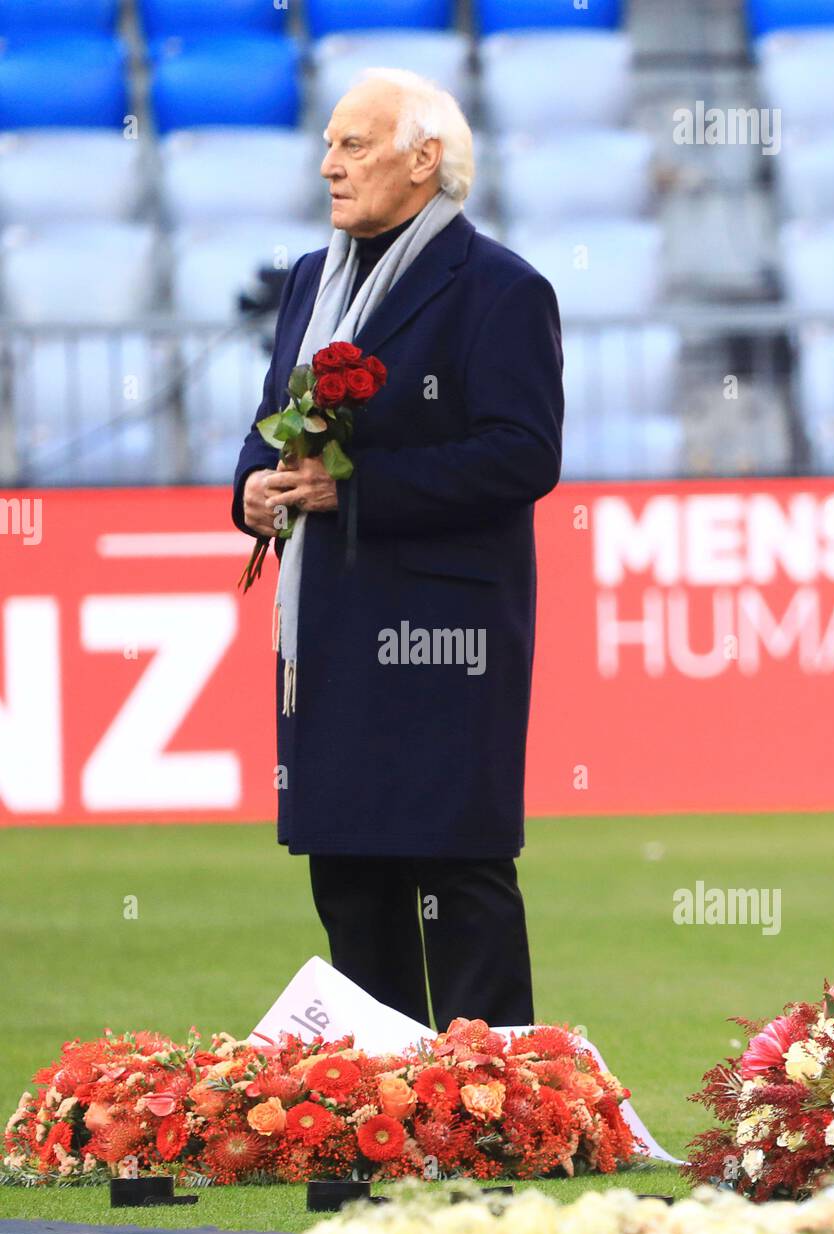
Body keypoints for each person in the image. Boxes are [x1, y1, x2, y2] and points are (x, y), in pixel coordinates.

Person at [232, 69, 564, 1029]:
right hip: (329, 622)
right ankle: (378, 1115)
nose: (329, 165)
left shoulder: (500, 286)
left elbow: (524, 454)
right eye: (330, 144)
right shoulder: (309, 277)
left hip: (446, 638)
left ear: (425, 160)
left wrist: (356, 488)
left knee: (458, 877)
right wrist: (253, 487)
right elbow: (271, 425)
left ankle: (494, 1121)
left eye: (355, 146)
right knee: (350, 874)